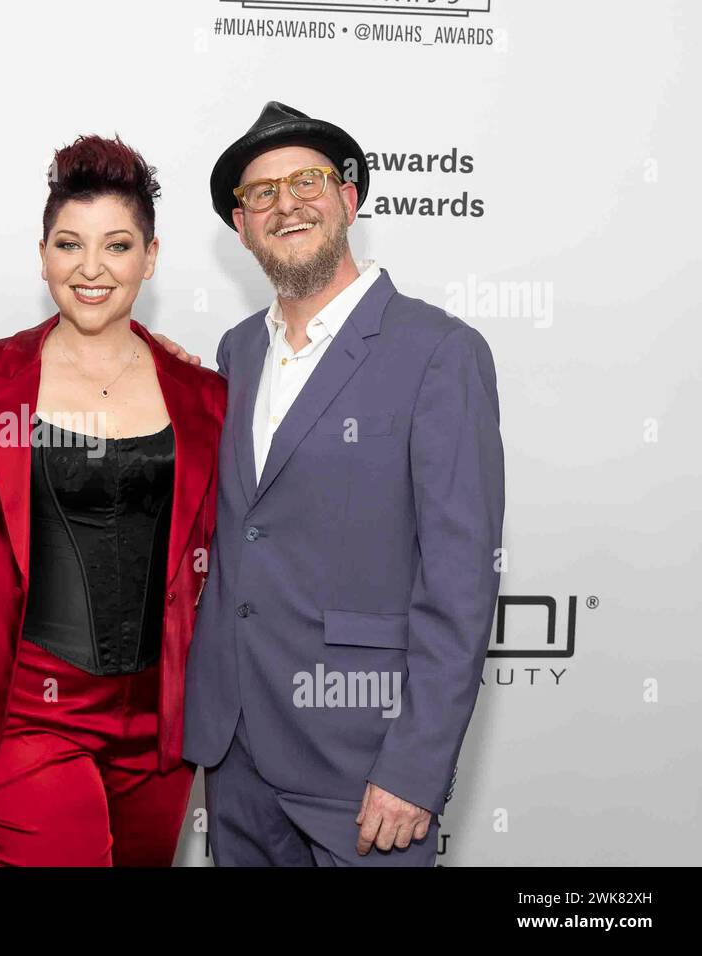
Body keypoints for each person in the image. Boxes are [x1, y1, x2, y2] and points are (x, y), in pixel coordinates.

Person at [183, 102, 505, 866]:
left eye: (307, 181)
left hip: (364, 767)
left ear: (349, 199)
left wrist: (416, 769)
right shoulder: (235, 354)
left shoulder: (439, 352)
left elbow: (460, 584)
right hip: (235, 758)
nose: (286, 203)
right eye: (261, 193)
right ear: (241, 225)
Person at [0, 135, 227, 866]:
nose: (92, 269)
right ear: (43, 256)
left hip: (161, 723)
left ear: (151, 257)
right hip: (24, 717)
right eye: (70, 244)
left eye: (118, 245)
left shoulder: (204, 395)